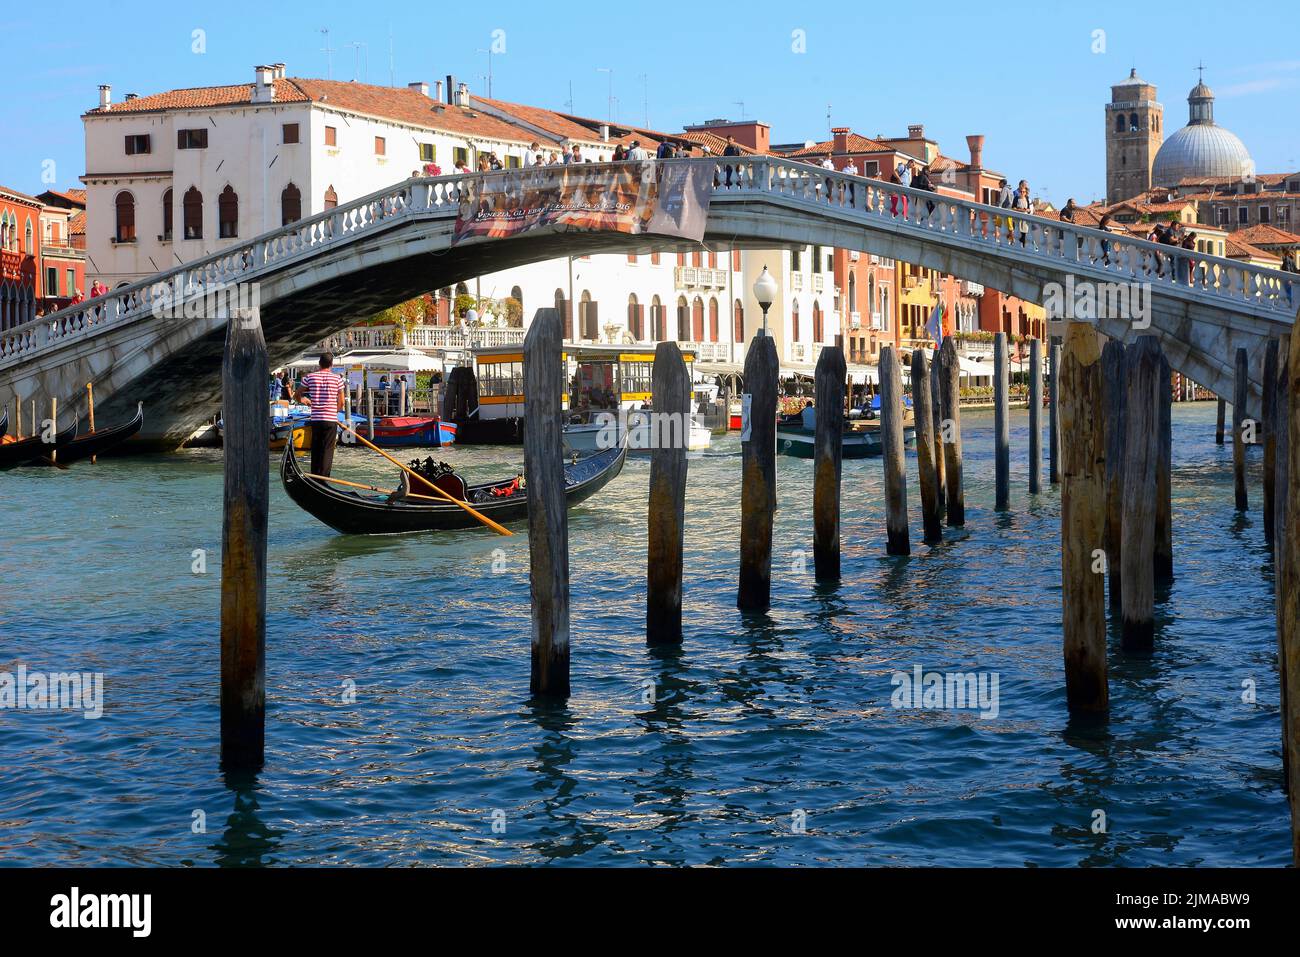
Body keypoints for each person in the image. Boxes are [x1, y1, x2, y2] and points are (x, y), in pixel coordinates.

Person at [295, 353, 347, 478]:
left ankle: (314, 477)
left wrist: (304, 401)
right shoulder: (338, 379)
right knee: (327, 451)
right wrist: (333, 412)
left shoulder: (310, 377)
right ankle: (323, 479)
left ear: (319, 363)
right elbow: (342, 402)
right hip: (330, 420)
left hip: (316, 419)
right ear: (331, 364)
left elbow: (296, 394)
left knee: (316, 449)